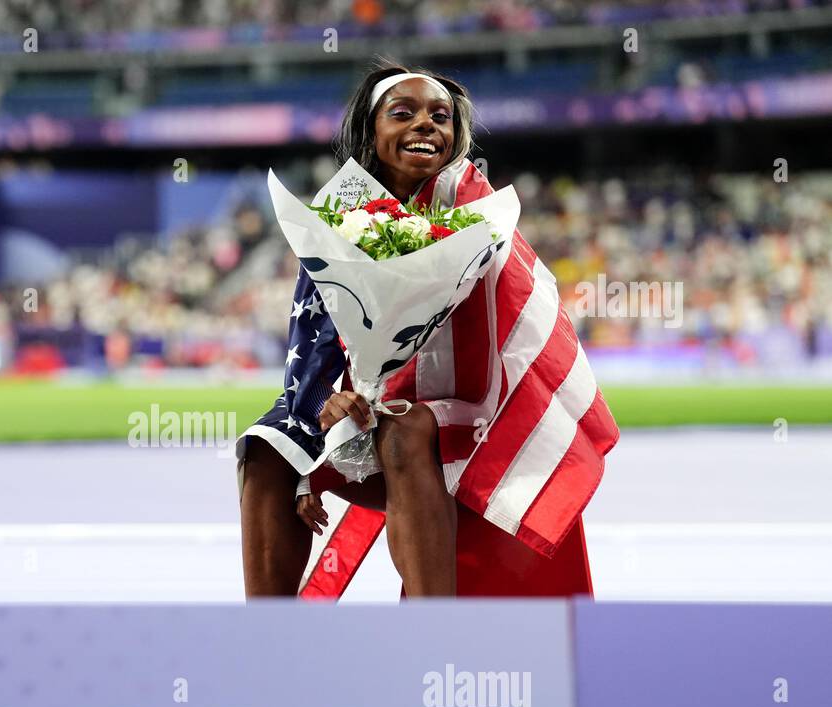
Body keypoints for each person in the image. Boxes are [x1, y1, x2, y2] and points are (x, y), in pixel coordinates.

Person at [236, 59, 619, 600]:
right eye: (403, 113)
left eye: (441, 116)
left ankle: (431, 628)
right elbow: (314, 345)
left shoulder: (474, 212)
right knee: (269, 444)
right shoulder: (336, 218)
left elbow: (510, 334)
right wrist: (330, 401)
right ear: (370, 133)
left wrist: (380, 397)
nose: (426, 124)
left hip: (475, 417)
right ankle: (267, 640)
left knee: (405, 426)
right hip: (376, 413)